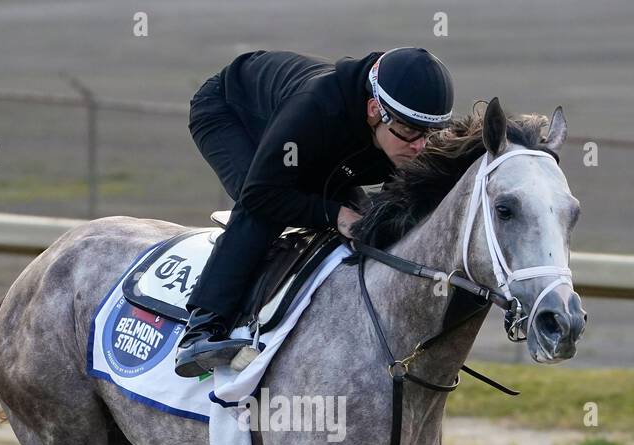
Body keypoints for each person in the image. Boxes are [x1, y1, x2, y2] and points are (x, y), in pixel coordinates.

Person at [175, 47, 456, 377]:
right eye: (409, 132)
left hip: (320, 145)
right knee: (265, 210)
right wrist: (334, 214)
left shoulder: (404, 128)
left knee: (364, 223)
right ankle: (202, 329)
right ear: (372, 110)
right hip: (231, 112)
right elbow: (261, 193)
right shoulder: (314, 108)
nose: (420, 146)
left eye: (429, 134)